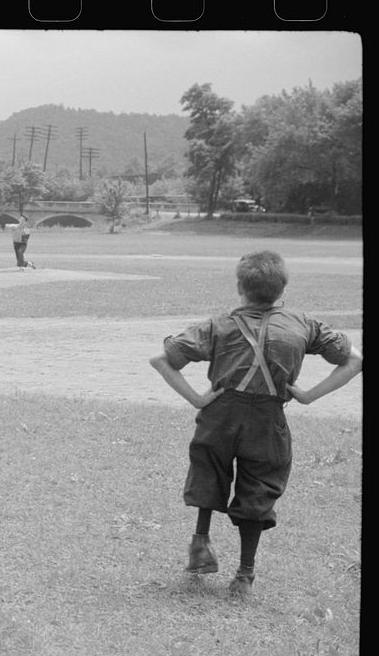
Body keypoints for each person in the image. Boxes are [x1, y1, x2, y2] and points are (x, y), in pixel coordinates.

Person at [149, 250, 362, 597]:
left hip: (220, 415)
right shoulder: (303, 324)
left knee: (209, 471)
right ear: (282, 289)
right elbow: (355, 360)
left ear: (240, 287)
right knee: (258, 488)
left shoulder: (218, 325)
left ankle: (200, 544)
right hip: (267, 420)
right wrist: (308, 395)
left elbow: (161, 359)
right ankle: (244, 576)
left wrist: (197, 399)